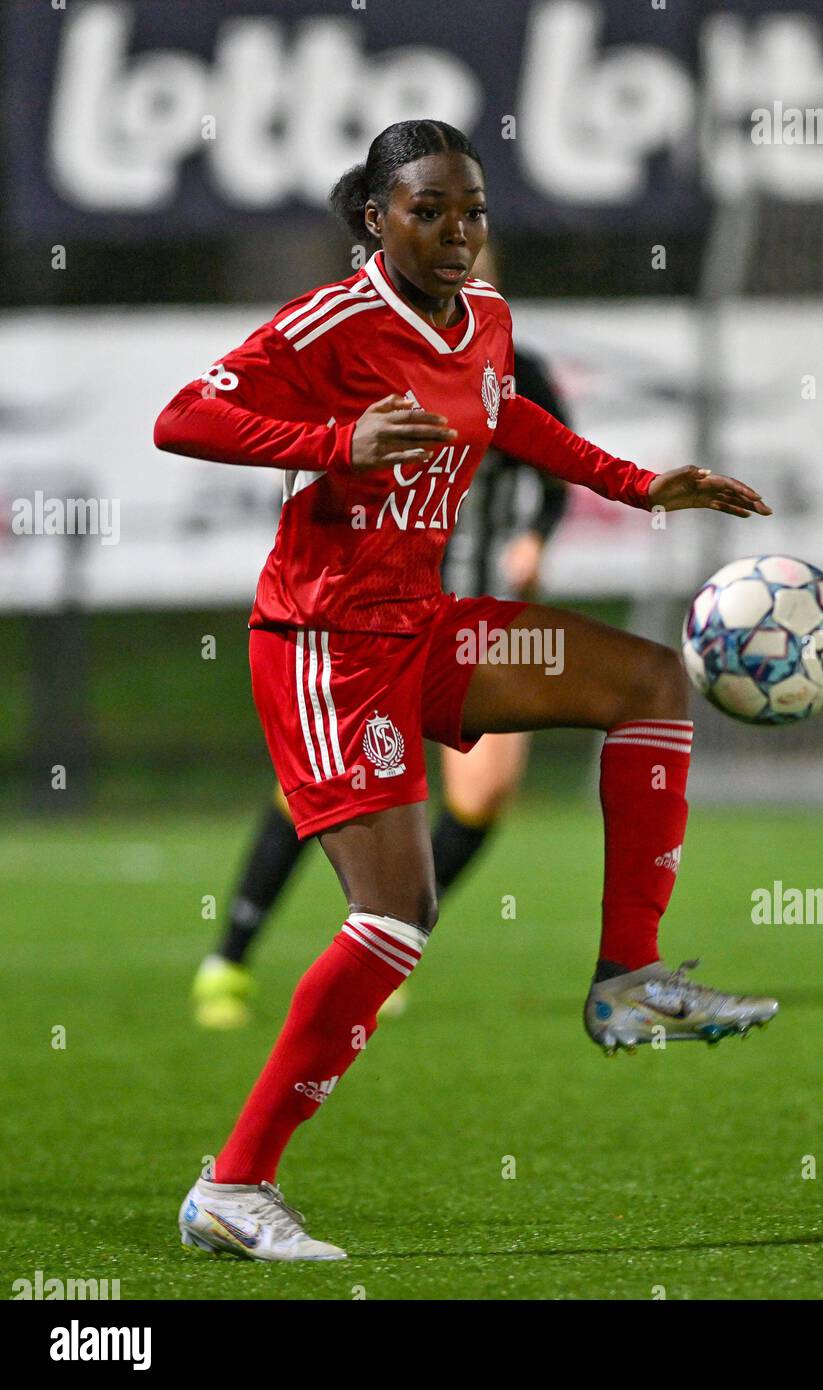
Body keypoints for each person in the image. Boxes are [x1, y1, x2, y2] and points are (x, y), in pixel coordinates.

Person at [154, 119, 777, 1263]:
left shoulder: (484, 320)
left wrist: (639, 484)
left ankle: (624, 977)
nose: (455, 231)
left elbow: (504, 412)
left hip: (424, 627)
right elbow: (181, 417)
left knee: (647, 681)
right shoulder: (330, 320)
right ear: (374, 219)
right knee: (397, 914)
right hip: (325, 643)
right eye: (427, 209)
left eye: (472, 209)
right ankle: (233, 1188)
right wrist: (337, 439)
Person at [190, 246, 570, 1030]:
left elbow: (557, 475)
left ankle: (385, 940)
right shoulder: (356, 353)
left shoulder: (515, 365)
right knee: (324, 794)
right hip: (376, 611)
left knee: (484, 794)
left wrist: (534, 534)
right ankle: (229, 958)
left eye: (475, 253)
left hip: (480, 611)